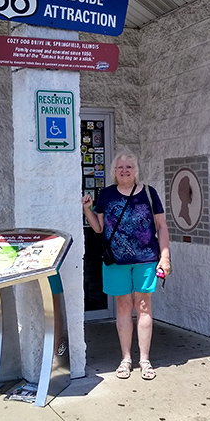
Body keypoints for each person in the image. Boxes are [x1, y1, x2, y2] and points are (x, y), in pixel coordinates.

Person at [82, 152, 171, 381]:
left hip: (146, 258)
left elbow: (161, 226)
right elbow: (99, 228)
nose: (124, 170)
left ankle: (144, 360)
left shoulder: (149, 194)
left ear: (136, 169)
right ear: (114, 171)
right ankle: (125, 359)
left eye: (129, 166)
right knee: (123, 306)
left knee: (143, 305)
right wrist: (87, 210)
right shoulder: (106, 195)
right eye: (120, 167)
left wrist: (165, 256)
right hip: (116, 260)